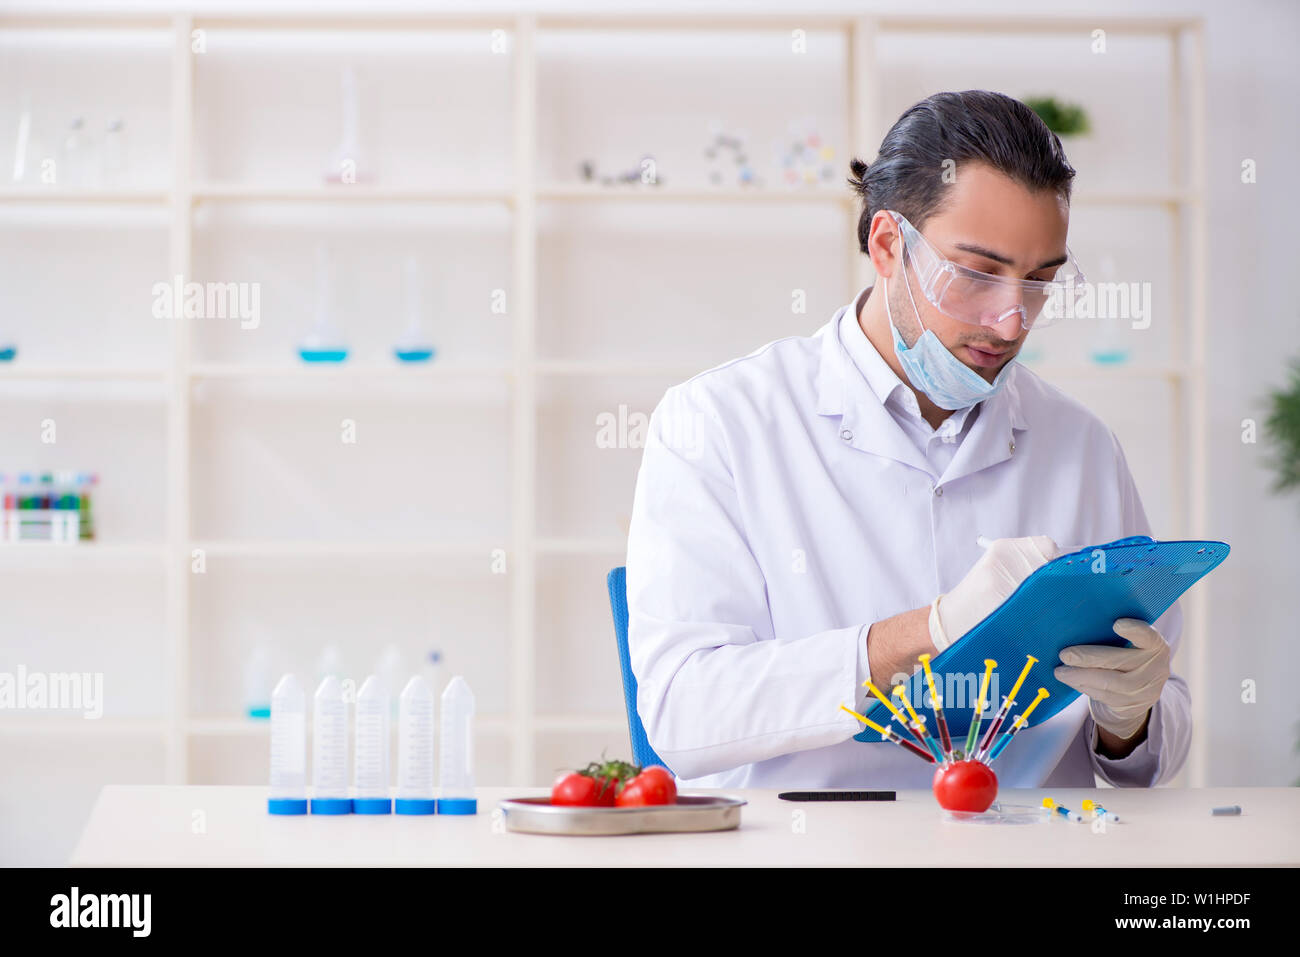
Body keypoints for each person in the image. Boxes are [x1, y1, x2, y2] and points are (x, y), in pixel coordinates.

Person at [624, 90, 1185, 789]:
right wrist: (930, 632)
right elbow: (684, 713)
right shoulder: (719, 422)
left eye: (1039, 282)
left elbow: (1155, 746)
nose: (1011, 321)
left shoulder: (1083, 446)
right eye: (977, 274)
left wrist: (1129, 716)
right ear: (887, 244)